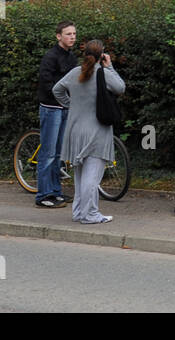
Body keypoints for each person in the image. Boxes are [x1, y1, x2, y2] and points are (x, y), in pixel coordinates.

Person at [53, 40, 125, 225]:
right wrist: (109, 68)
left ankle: (78, 212)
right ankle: (90, 214)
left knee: (80, 176)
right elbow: (120, 88)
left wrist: (71, 105)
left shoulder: (75, 73)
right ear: (102, 55)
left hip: (75, 130)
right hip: (96, 131)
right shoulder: (103, 73)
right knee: (92, 178)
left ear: (84, 54)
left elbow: (57, 89)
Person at [35, 21, 77, 207]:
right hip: (51, 108)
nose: (72, 37)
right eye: (68, 34)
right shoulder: (50, 57)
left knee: (59, 154)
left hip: (65, 108)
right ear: (58, 36)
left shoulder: (72, 58)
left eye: (74, 34)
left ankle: (56, 192)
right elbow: (46, 83)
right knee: (49, 153)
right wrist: (60, 98)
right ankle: (43, 195)